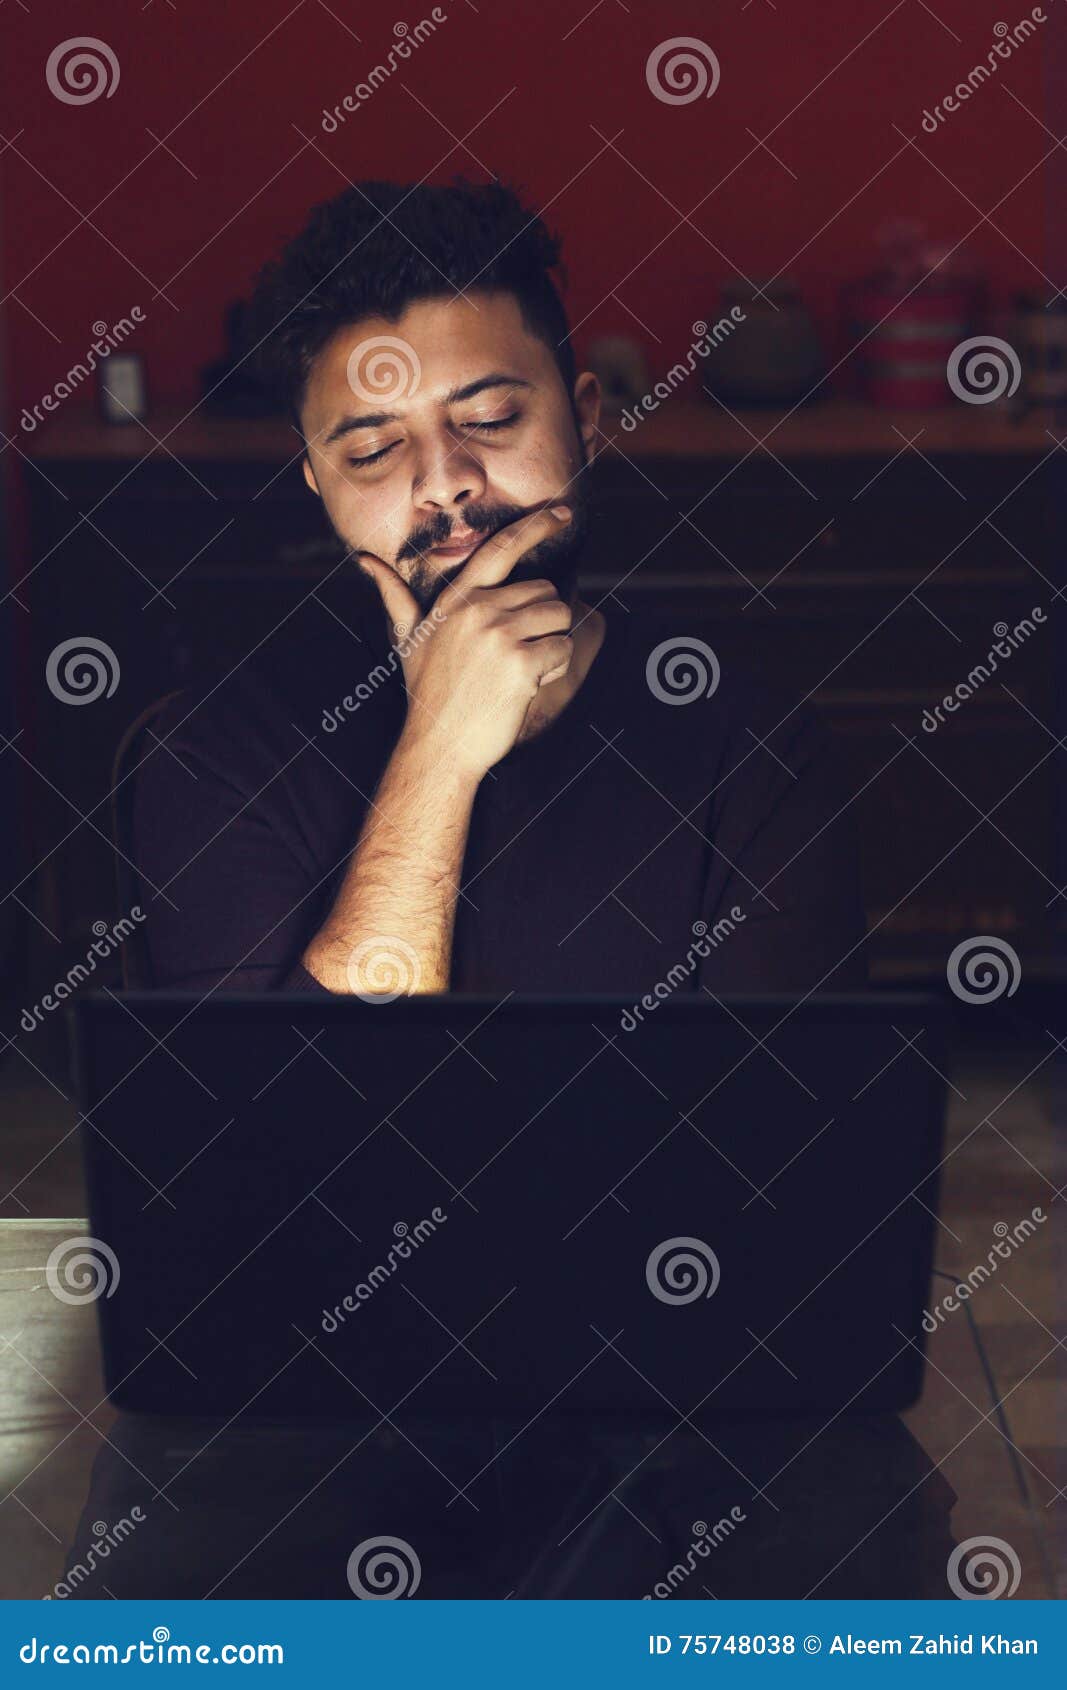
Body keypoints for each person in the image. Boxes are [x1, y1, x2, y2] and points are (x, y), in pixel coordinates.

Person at [65, 179, 956, 1598]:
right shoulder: (215, 744)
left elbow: (764, 1196)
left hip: (666, 1382)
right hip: (318, 1395)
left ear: (588, 416)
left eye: (490, 419)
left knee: (855, 1542)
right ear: (313, 478)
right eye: (374, 447)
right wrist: (441, 748)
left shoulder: (741, 732)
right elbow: (264, 1207)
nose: (446, 487)